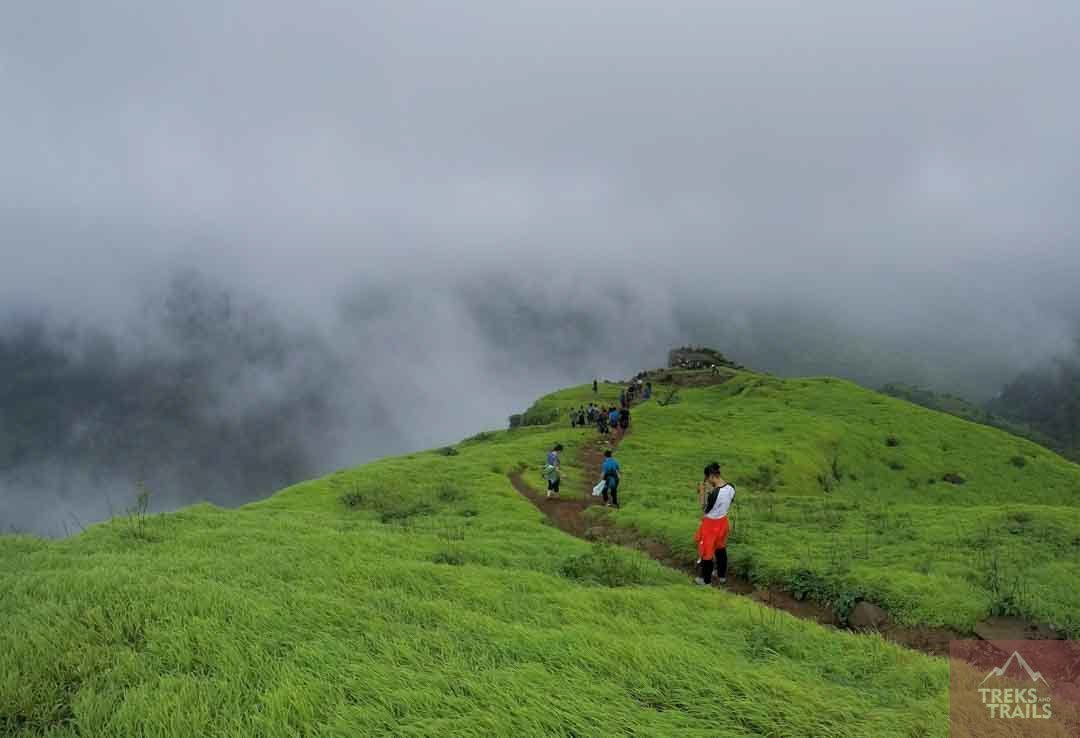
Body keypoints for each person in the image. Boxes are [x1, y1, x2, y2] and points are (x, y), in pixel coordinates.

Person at [694, 462, 735, 585]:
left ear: (711, 476)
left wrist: (701, 492)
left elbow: (704, 508)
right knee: (721, 548)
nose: (708, 482)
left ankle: (705, 581)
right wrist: (710, 493)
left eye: (708, 479)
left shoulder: (715, 493)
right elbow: (722, 500)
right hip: (723, 522)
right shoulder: (731, 487)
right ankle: (721, 575)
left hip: (710, 525)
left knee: (707, 552)